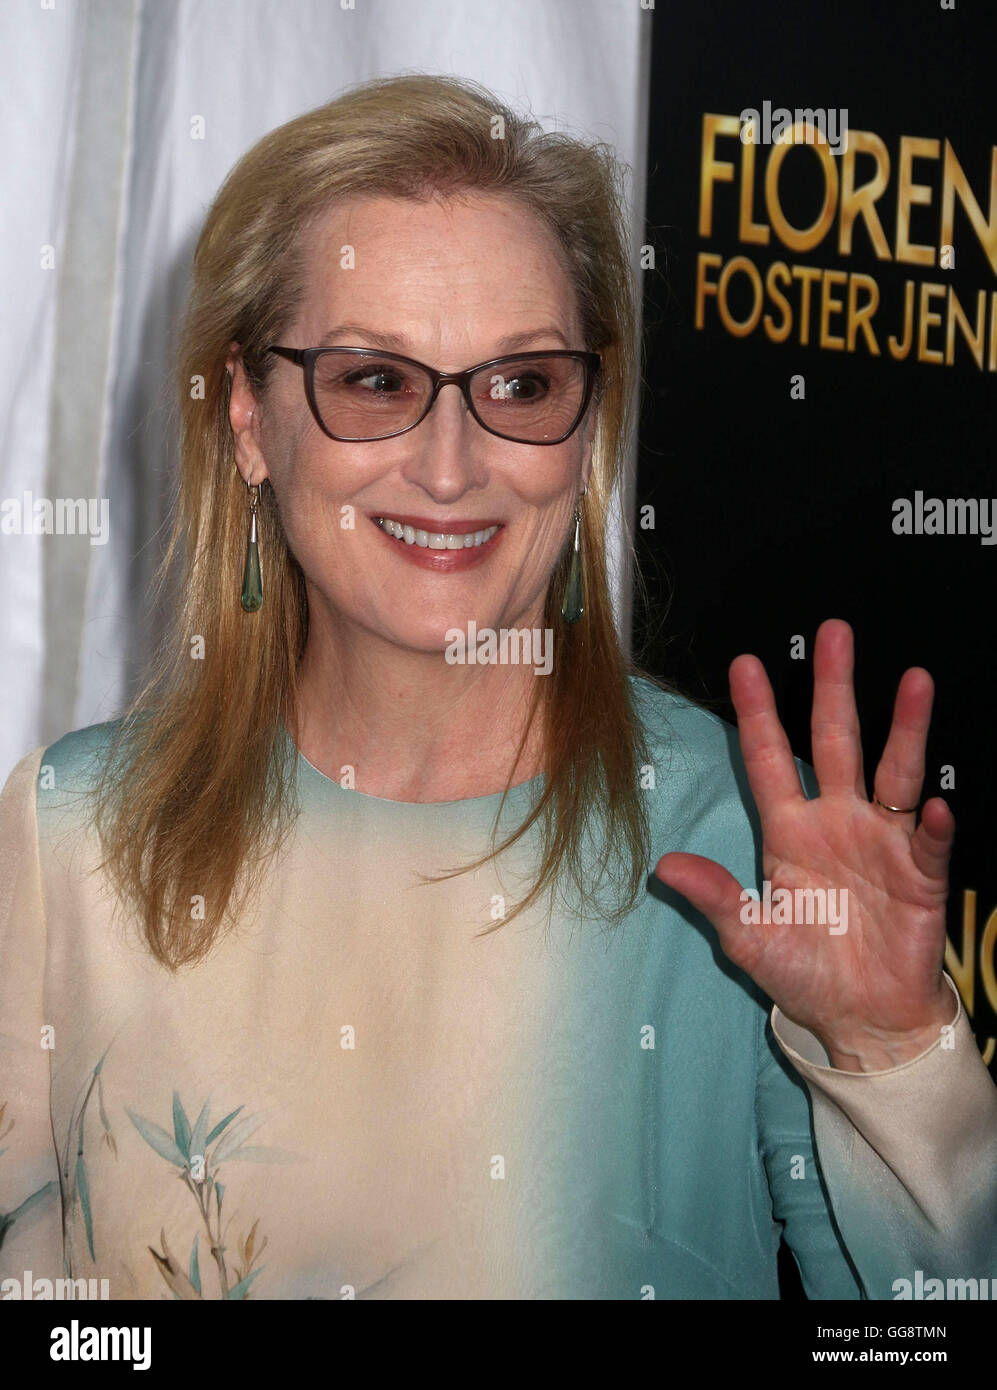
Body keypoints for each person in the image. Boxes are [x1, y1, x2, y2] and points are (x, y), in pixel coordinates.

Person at [1, 73, 994, 1302]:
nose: (452, 462)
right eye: (374, 380)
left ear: (586, 425)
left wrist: (891, 1054)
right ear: (249, 417)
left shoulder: (737, 839)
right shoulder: (73, 831)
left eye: (521, 385)